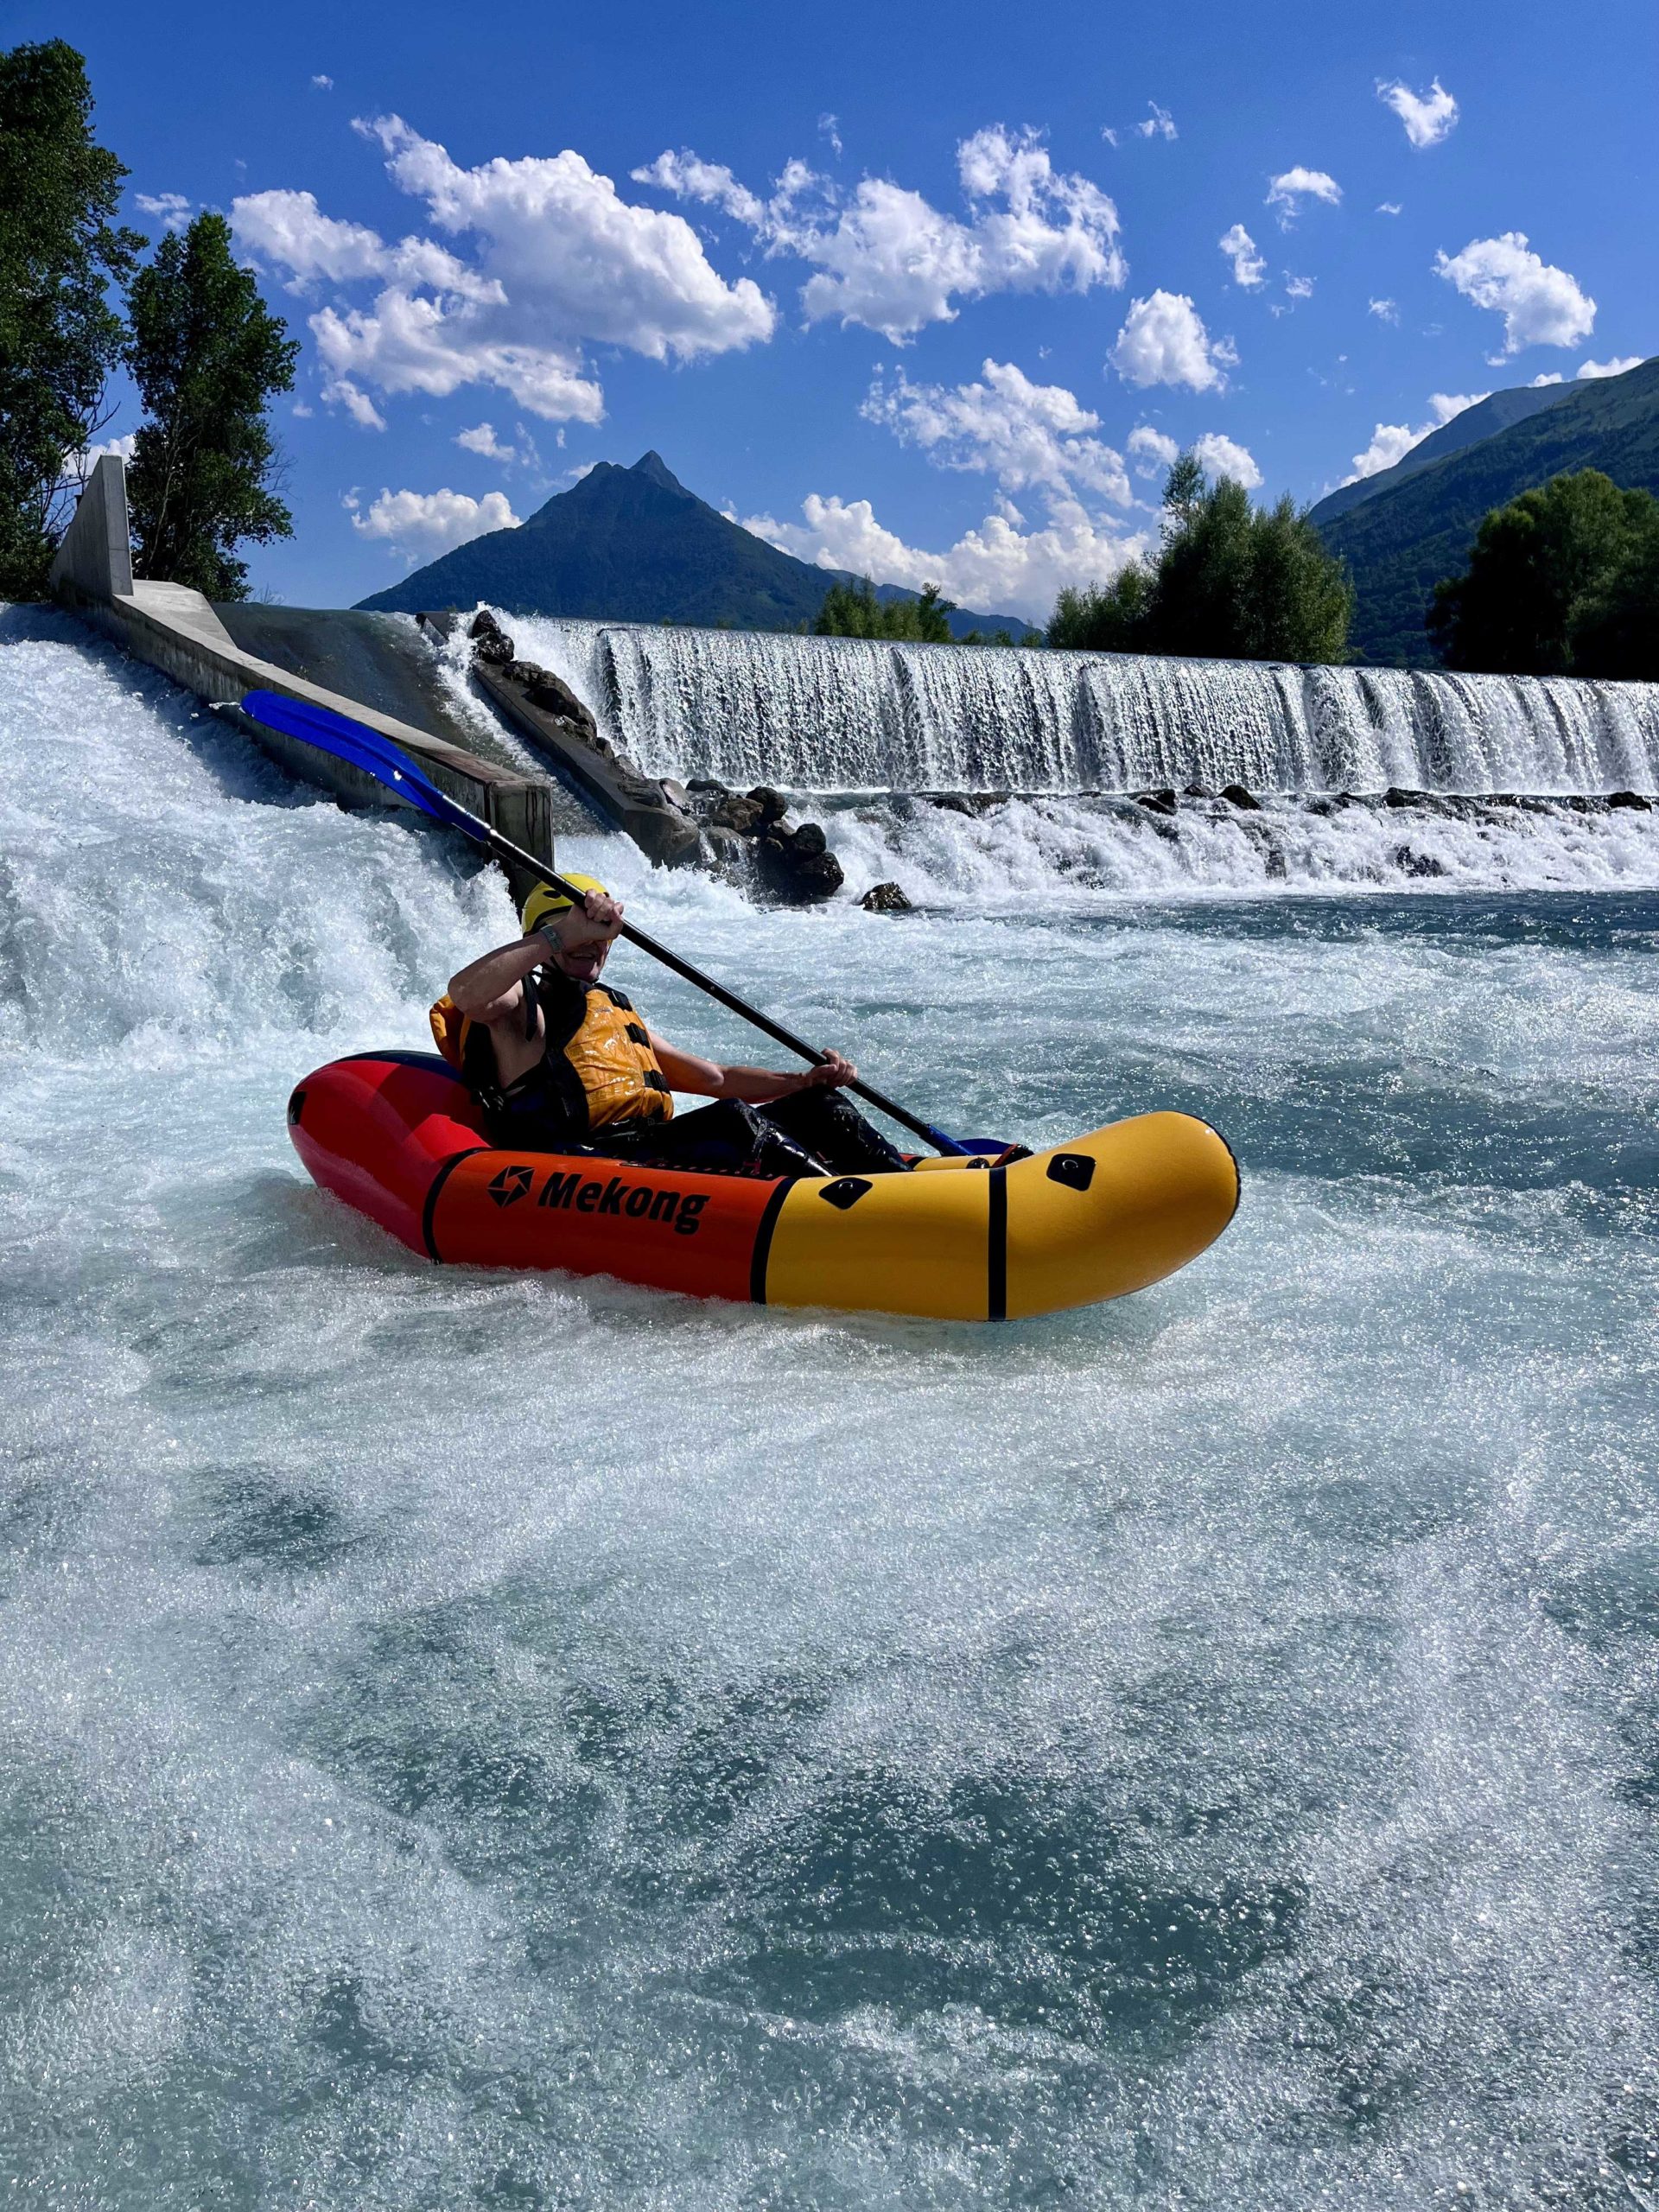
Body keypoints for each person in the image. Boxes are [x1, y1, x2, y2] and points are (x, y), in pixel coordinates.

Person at [431, 875, 912, 1180]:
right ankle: (842, 1209)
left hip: (653, 1150)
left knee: (820, 1107)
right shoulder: (520, 1007)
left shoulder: (612, 1009)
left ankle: (906, 1194)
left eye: (600, 937)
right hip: (591, 1161)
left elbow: (715, 1080)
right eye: (575, 935)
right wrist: (562, 932)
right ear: (542, 937)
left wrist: (804, 1082)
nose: (590, 946)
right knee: (732, 1120)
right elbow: (469, 993)